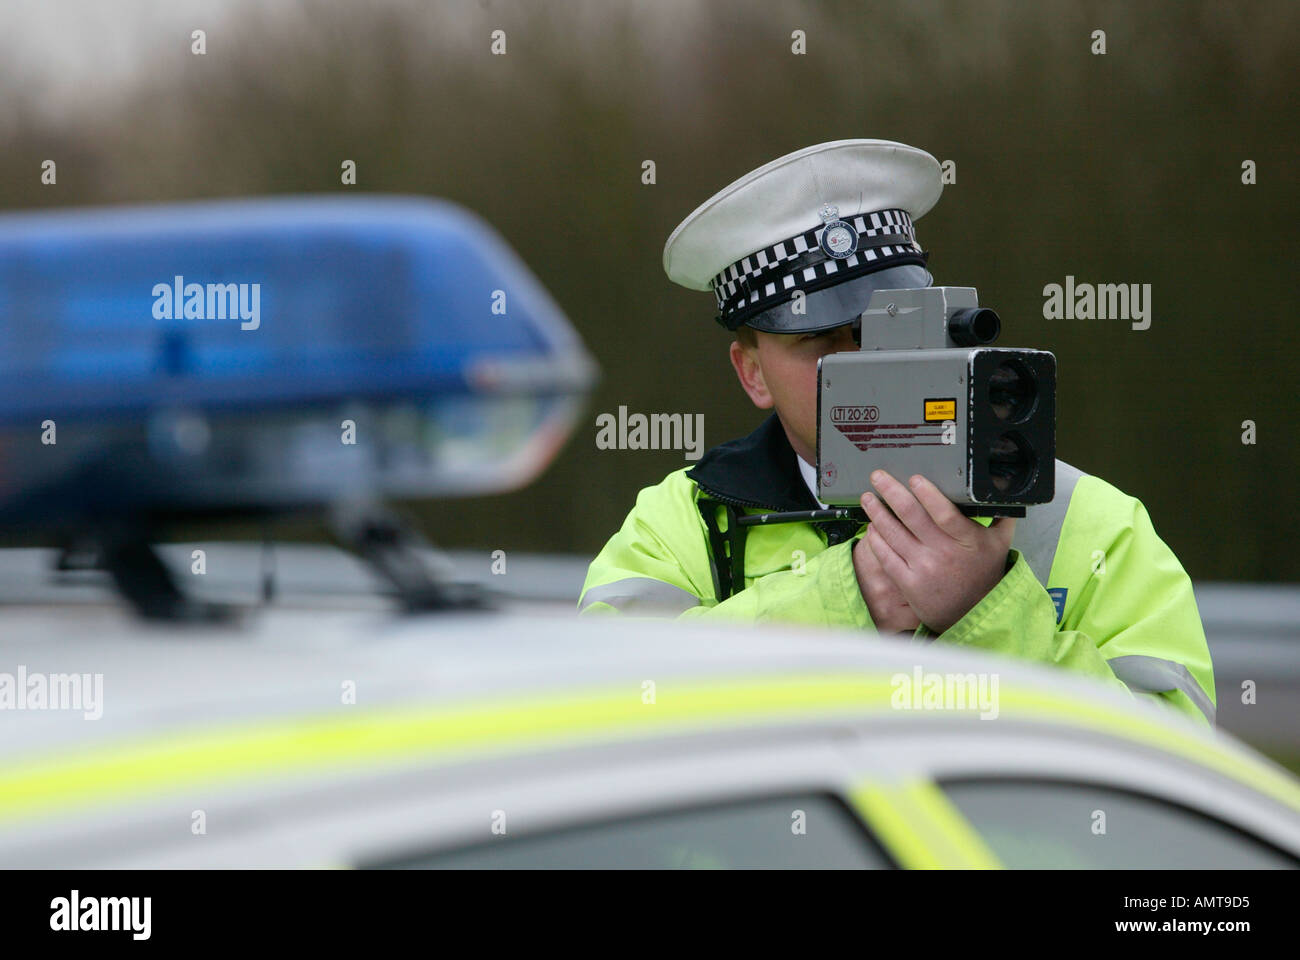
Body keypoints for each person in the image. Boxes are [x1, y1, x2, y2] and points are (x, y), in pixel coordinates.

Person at [578, 139, 1215, 727]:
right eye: (819, 340)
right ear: (753, 373)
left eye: (885, 327)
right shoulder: (678, 527)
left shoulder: (1086, 520)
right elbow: (595, 718)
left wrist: (986, 613)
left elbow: (1180, 763)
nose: (863, 362)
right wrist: (848, 602)